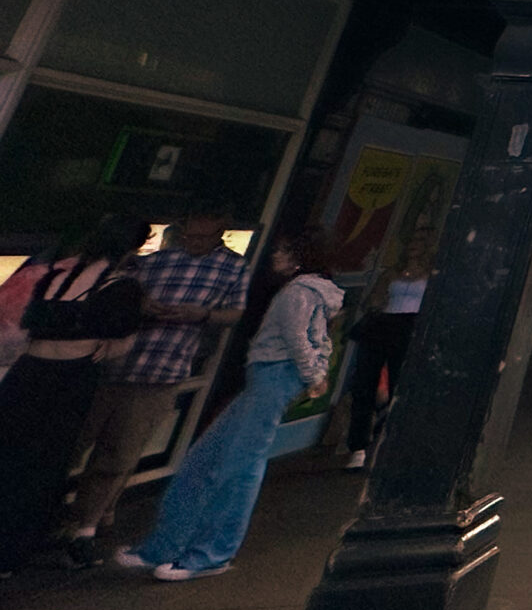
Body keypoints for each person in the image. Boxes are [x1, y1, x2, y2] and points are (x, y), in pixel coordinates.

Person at [126, 233, 341, 581]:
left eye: (284, 249)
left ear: (301, 255)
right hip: (271, 378)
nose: (276, 255)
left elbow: (298, 339)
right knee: (211, 459)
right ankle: (173, 547)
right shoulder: (314, 291)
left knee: (235, 466)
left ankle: (205, 554)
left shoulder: (298, 292)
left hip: (272, 375)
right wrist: (315, 375)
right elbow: (317, 338)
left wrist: (313, 375)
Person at [63, 209, 248, 559]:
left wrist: (203, 315)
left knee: (119, 452)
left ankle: (83, 525)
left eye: (203, 238)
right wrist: (142, 305)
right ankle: (70, 515)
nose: (193, 243)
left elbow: (235, 313)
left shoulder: (233, 267)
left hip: (164, 369)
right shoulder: (155, 260)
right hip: (113, 364)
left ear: (219, 235)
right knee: (74, 442)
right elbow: (120, 287)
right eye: (189, 235)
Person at [0, 214, 147, 573]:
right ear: (132, 248)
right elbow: (122, 343)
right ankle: (10, 550)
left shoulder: (53, 276)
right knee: (43, 465)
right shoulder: (121, 287)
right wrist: (102, 346)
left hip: (27, 374)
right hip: (70, 379)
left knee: (7, 455)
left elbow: (25, 329)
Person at [344, 229, 432, 471]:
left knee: (400, 385)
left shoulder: (431, 274)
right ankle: (358, 447)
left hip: (410, 327)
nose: (413, 246)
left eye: (419, 241)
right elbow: (372, 300)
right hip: (384, 325)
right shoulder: (390, 273)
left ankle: (389, 443)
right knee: (365, 384)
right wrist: (376, 302)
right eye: (411, 241)